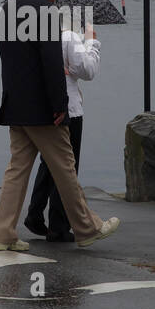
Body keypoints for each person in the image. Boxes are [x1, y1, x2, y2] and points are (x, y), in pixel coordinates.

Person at [0, 0, 119, 252]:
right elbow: (50, 62)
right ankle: (88, 228)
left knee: (17, 170)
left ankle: (3, 233)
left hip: (15, 105)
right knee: (65, 169)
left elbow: (9, 60)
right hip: (43, 110)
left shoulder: (7, 8)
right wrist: (59, 104)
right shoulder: (46, 11)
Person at [25, 14, 100, 242]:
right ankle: (59, 225)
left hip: (43, 107)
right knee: (68, 167)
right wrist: (92, 43)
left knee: (49, 163)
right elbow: (87, 71)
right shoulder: (69, 36)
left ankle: (35, 213)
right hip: (70, 109)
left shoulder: (39, 36)